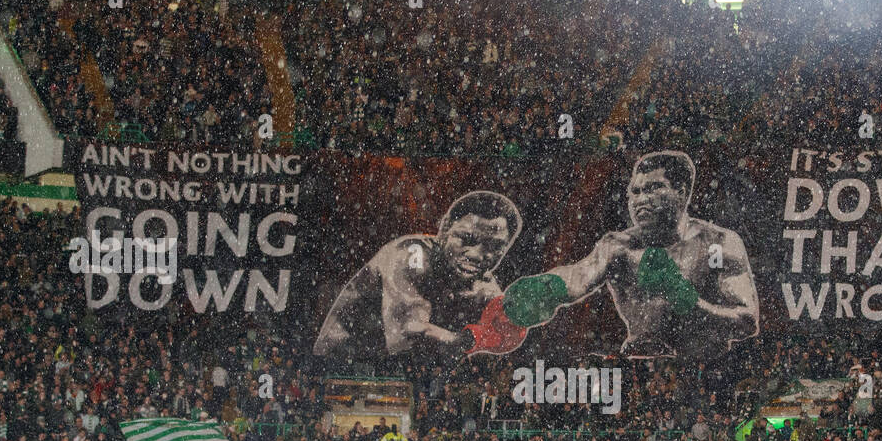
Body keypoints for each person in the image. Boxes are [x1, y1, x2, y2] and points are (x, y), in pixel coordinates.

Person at [465, 151, 759, 359]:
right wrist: (545, 289)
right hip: (640, 369)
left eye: (653, 188)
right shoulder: (618, 246)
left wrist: (687, 301)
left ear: (682, 191)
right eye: (635, 191)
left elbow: (747, 321)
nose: (640, 199)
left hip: (699, 372)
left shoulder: (718, 243)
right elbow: (577, 277)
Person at [314, 191, 523, 358]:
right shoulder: (410, 254)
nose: (477, 255)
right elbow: (406, 335)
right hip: (341, 367)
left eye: (494, 247)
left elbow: (503, 339)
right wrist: (470, 339)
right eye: (467, 239)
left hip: (388, 373)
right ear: (445, 228)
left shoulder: (482, 282)